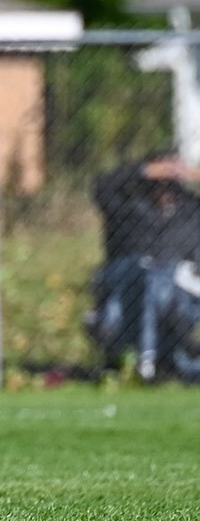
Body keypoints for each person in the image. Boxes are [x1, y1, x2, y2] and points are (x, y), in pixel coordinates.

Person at [88, 153, 200, 381]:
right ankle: (147, 360)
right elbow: (102, 186)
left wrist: (193, 173)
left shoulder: (192, 212)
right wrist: (144, 170)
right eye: (161, 182)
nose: (167, 190)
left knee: (164, 278)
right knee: (149, 275)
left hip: (178, 293)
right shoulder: (128, 209)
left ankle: (148, 360)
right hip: (130, 284)